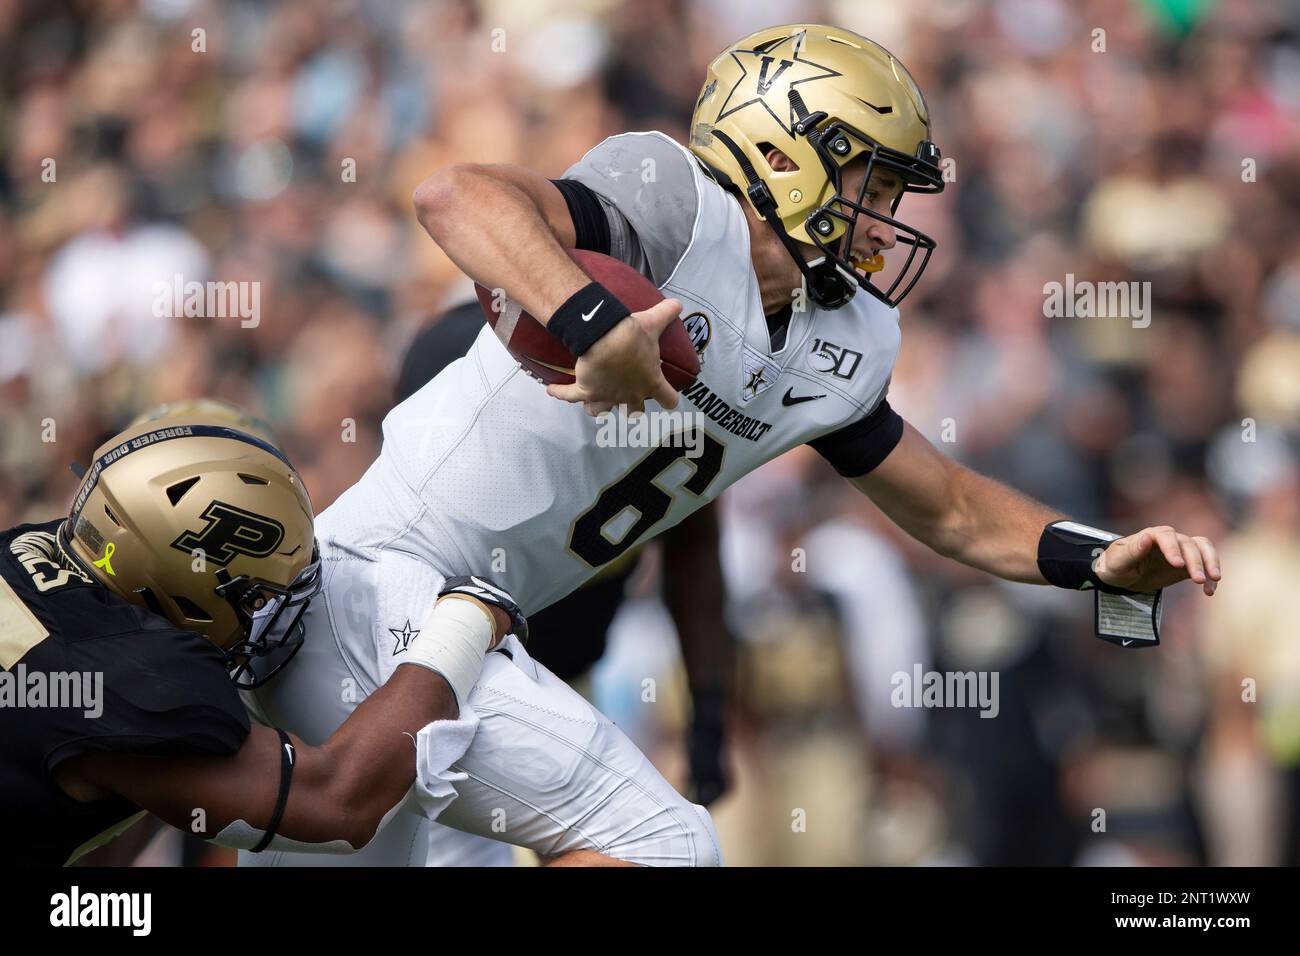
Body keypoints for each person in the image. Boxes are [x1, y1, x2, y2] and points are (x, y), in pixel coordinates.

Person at [247, 24, 1218, 867]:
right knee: (662, 844)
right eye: (869, 175)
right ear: (786, 152)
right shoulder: (677, 206)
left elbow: (952, 504)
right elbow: (454, 195)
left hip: (454, 631)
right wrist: (595, 326)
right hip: (382, 588)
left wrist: (1096, 555)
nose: (887, 214)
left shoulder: (845, 336)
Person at [0, 416, 521, 865]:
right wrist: (465, 622)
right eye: (257, 596)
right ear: (184, 590)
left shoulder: (39, 548)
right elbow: (340, 805)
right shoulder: (127, 677)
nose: (269, 612)